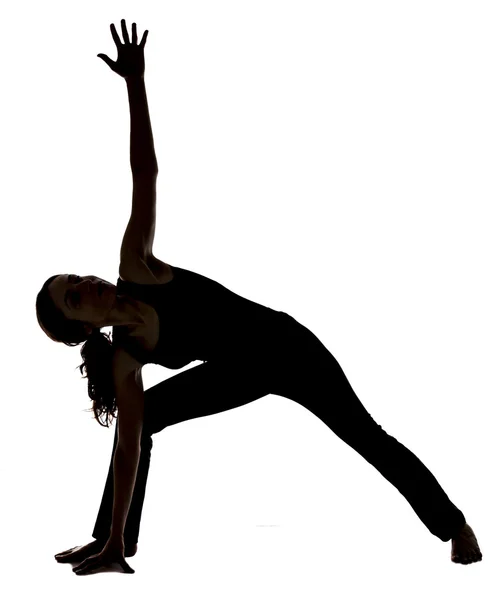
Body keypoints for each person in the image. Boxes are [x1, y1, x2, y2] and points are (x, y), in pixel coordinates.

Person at [37, 20, 482, 575]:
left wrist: (135, 84)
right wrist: (112, 539)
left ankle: (454, 524)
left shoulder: (136, 266)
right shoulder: (126, 356)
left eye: (75, 279)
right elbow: (128, 449)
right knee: (142, 421)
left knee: (367, 436)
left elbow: (145, 172)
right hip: (236, 371)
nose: (85, 286)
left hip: (287, 347)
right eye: (75, 299)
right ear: (83, 329)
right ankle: (114, 542)